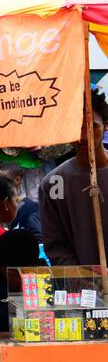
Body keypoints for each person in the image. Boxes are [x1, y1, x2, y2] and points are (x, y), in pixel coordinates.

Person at [39, 90, 108, 266]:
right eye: (78, 128)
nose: (85, 136)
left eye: (93, 126)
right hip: (82, 289)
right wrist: (84, 280)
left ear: (106, 125)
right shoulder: (52, 183)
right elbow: (55, 246)